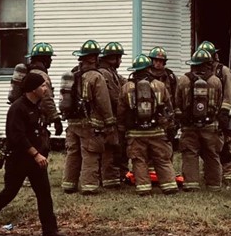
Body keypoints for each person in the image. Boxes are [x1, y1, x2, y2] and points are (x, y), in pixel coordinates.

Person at [0, 72, 66, 236]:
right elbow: (17, 136)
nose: (46, 89)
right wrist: (36, 154)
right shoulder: (17, 108)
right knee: (9, 192)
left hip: (36, 159)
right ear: (32, 89)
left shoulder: (37, 106)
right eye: (42, 86)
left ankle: (50, 231)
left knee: (44, 193)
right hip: (19, 159)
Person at [118, 54, 179, 196]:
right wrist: (170, 128)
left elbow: (121, 111)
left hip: (135, 132)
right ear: (149, 69)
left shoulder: (126, 87)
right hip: (157, 131)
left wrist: (121, 131)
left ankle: (143, 188)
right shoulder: (160, 85)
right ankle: (169, 186)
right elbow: (168, 109)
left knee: (139, 160)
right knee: (162, 159)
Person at [61, 40, 115, 195]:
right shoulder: (96, 77)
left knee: (73, 153)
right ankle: (89, 186)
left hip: (72, 122)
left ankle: (69, 184)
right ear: (93, 58)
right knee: (90, 154)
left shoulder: (72, 75)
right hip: (90, 123)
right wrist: (110, 122)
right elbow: (103, 101)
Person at [175, 49, 225, 190]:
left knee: (190, 153)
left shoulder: (183, 80)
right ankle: (214, 185)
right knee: (212, 154)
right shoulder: (216, 81)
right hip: (210, 125)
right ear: (208, 64)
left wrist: (182, 117)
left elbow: (177, 102)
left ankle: (191, 185)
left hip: (189, 125)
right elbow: (220, 102)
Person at [197, 41, 231, 185]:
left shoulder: (223, 71)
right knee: (207, 148)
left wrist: (224, 112)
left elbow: (229, 93)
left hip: (220, 114)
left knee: (225, 146)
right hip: (204, 116)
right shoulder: (198, 72)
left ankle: (230, 175)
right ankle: (211, 175)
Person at [99, 42, 127, 189]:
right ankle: (109, 179)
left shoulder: (110, 72)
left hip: (106, 117)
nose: (121, 61)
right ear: (113, 58)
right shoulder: (105, 73)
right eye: (119, 58)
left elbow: (123, 82)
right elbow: (115, 96)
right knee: (110, 148)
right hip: (107, 118)